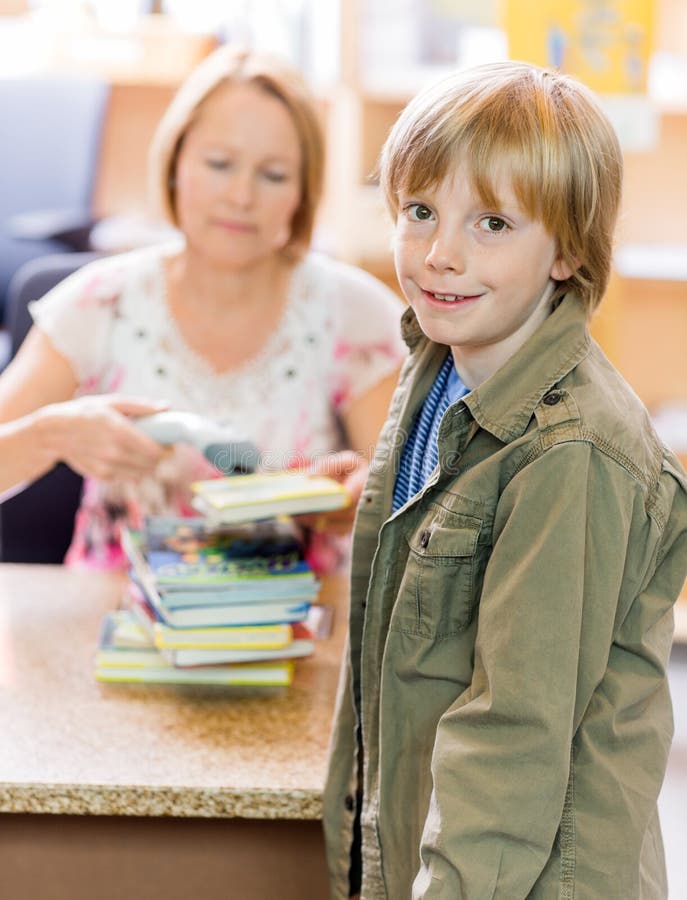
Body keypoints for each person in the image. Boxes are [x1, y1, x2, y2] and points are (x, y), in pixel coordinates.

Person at [322, 60, 687, 899]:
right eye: (419, 212)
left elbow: (513, 737)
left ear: (567, 250)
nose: (439, 255)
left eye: (491, 222)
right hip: (428, 848)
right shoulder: (440, 363)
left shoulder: (570, 452)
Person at [0, 45, 406, 568]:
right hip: (115, 620)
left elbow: (410, 497)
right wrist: (54, 433)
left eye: (274, 175)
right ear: (174, 164)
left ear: (303, 194)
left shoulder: (357, 314)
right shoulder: (97, 302)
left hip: (294, 624)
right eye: (219, 164)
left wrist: (356, 497)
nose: (241, 195)